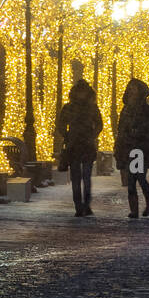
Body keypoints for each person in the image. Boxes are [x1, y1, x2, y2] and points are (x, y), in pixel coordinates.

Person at [55, 78, 104, 216]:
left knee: (79, 178)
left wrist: (67, 135)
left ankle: (80, 206)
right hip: (82, 144)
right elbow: (99, 124)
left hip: (76, 144)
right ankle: (83, 206)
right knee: (83, 177)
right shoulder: (91, 108)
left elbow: (61, 124)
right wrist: (92, 135)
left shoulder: (70, 107)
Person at [115, 78, 149, 217]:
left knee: (139, 177)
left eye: (134, 88)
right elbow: (121, 130)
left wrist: (138, 132)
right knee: (131, 180)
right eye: (130, 88)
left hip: (140, 148)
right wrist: (119, 146)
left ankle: (147, 204)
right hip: (128, 148)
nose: (132, 91)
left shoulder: (146, 110)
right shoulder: (126, 109)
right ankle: (135, 209)